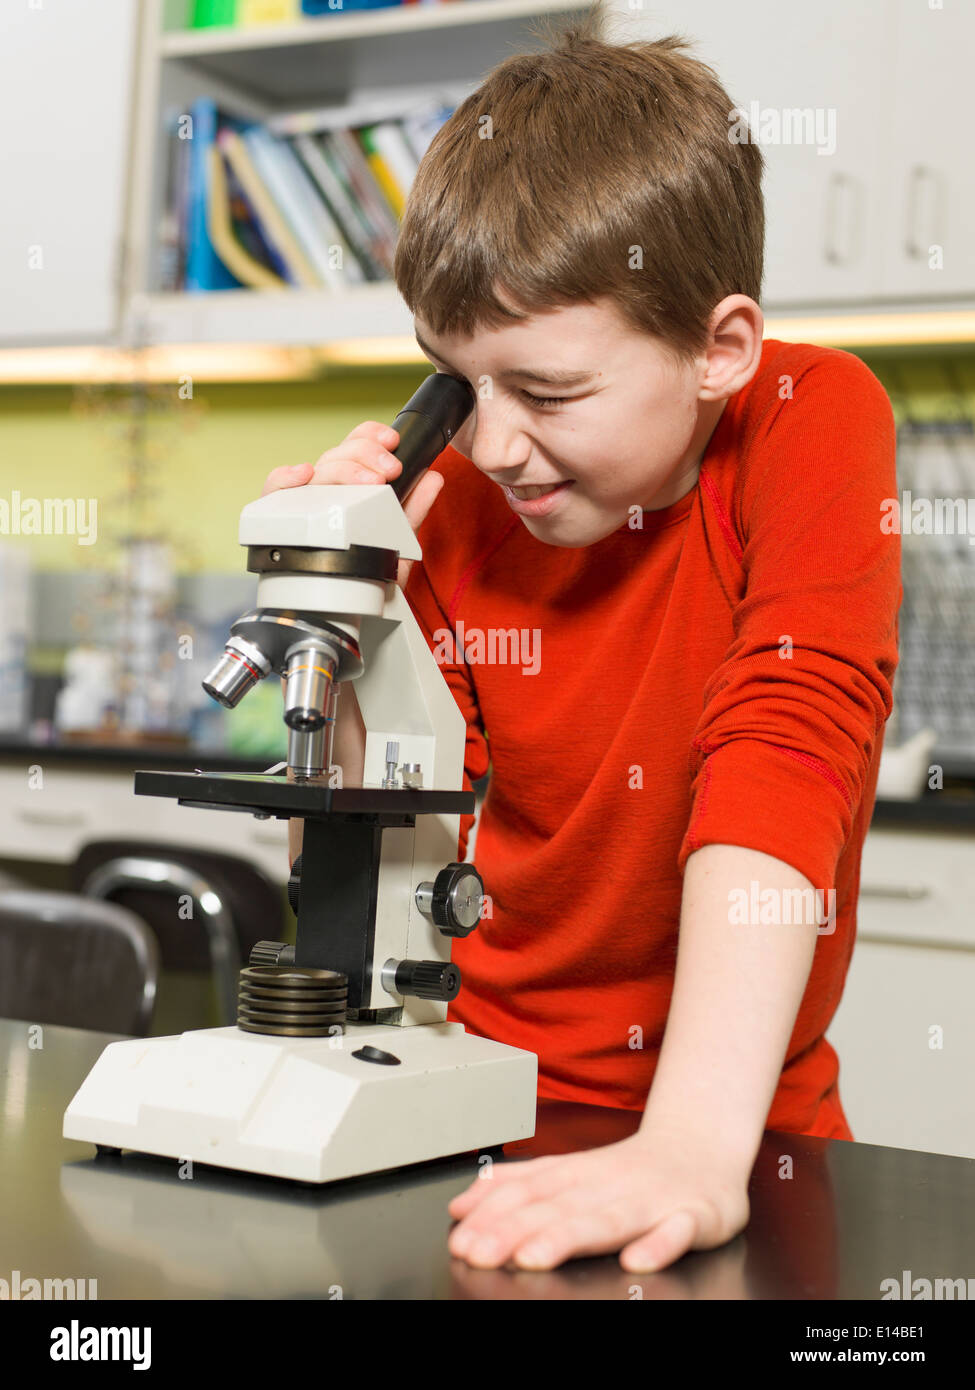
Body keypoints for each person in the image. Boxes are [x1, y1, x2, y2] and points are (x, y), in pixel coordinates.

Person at [265, 13, 900, 1274]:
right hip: (471, 1101)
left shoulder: (807, 419)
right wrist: (351, 606)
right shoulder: (462, 496)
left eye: (548, 393)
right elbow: (379, 845)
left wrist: (692, 1145)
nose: (494, 444)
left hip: (731, 1131)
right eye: (459, 381)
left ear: (722, 349)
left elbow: (789, 743)